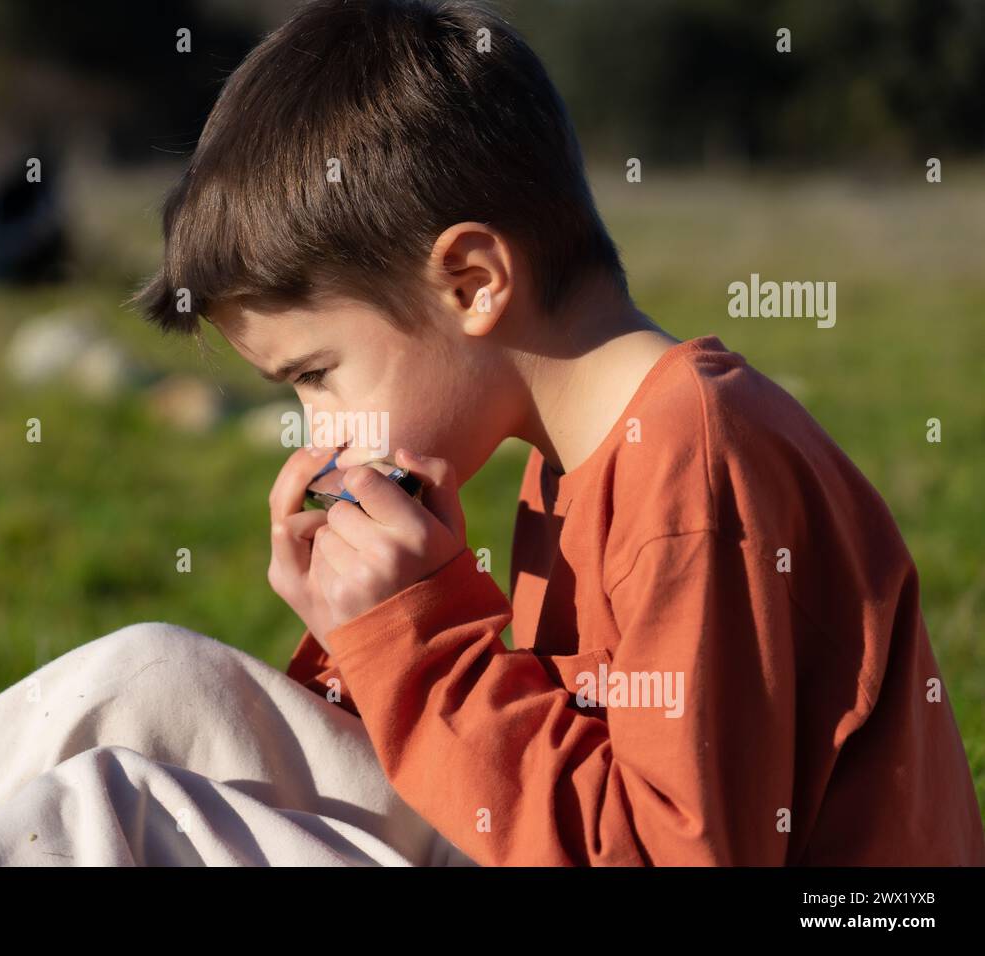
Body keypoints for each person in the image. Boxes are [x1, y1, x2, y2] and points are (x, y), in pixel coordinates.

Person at [130, 0, 985, 865]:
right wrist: (359, 644)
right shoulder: (572, 462)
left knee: (112, 806)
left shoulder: (694, 463)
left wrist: (417, 648)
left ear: (472, 283)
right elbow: (557, 780)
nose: (314, 435)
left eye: (316, 376)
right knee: (150, 682)